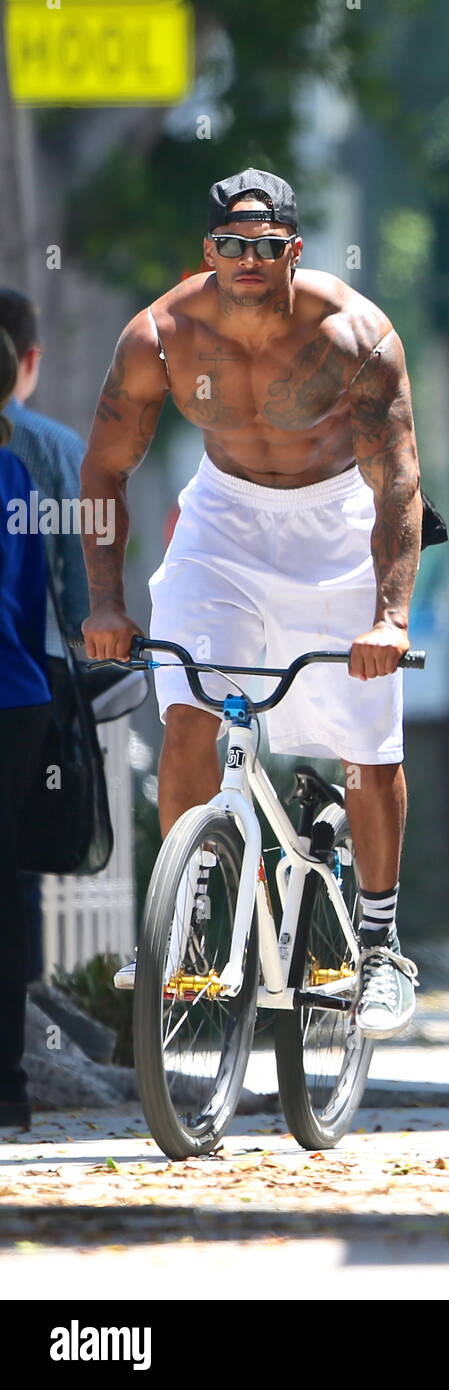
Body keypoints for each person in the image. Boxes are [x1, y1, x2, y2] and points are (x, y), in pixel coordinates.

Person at [80, 169, 423, 1038]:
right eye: (230, 244)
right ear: (209, 251)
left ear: (293, 251)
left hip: (339, 523)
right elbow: (104, 471)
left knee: (369, 749)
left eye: (266, 245)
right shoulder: (161, 335)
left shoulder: (356, 334)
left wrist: (389, 616)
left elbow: (398, 485)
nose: (247, 259)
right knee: (191, 711)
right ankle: (186, 925)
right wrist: (107, 603)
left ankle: (380, 948)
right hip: (224, 525)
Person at [0, 289, 92, 983]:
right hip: (37, 680)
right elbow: (78, 587)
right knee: (22, 860)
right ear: (26, 360)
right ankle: (26, 1004)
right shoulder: (57, 452)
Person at [0, 325, 53, 1130]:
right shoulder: (15, 471)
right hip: (19, 694)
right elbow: (37, 593)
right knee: (7, 878)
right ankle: (9, 1081)